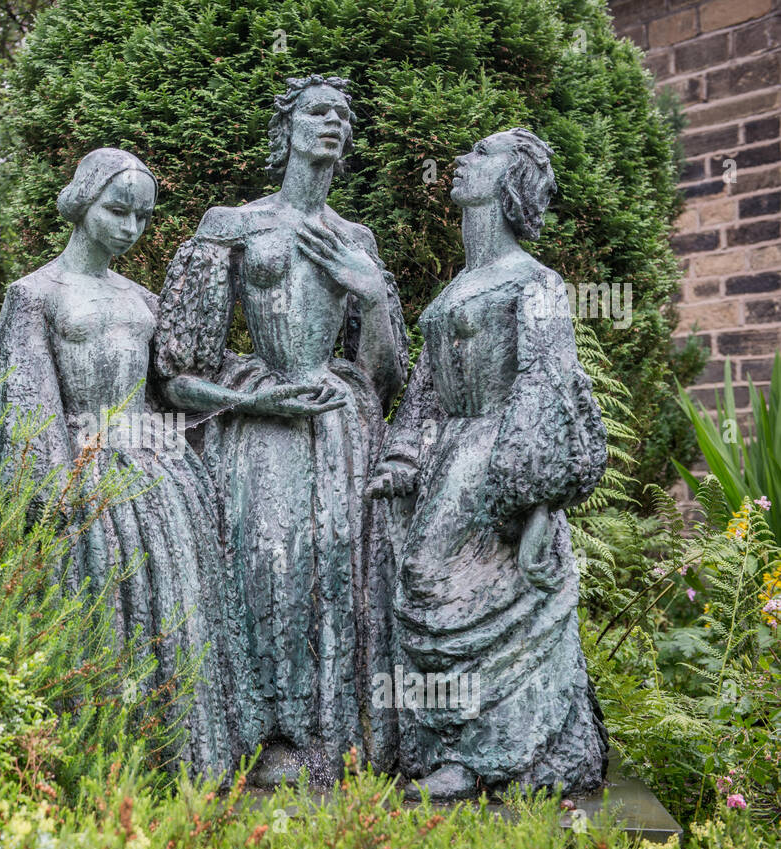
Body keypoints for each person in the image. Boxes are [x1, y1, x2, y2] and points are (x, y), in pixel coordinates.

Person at [153, 77, 408, 784]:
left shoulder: (357, 239)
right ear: (288, 128)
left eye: (343, 114)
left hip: (339, 427)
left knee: (340, 571)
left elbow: (385, 377)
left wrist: (373, 292)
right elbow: (176, 370)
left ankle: (337, 736)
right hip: (259, 426)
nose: (332, 122)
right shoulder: (232, 223)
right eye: (317, 111)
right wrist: (260, 405)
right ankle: (265, 733)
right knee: (265, 566)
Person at [0, 148, 238, 776]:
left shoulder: (146, 302)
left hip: (158, 470)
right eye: (117, 210)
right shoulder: (33, 294)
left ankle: (182, 758)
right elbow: (24, 396)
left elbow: (174, 385)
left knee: (175, 606)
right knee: (99, 608)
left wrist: (248, 396)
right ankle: (99, 757)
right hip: (82, 469)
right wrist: (52, 484)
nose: (129, 227)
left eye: (142, 218)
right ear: (83, 202)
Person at [368, 129, 609, 799]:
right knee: (426, 587)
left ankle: (491, 756)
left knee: (478, 602)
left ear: (507, 184)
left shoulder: (537, 282)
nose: (462, 159)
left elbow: (549, 388)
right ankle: (453, 743)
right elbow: (422, 392)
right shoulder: (459, 286)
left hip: (501, 460)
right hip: (451, 459)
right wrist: (402, 456)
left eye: (480, 153)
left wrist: (537, 503)